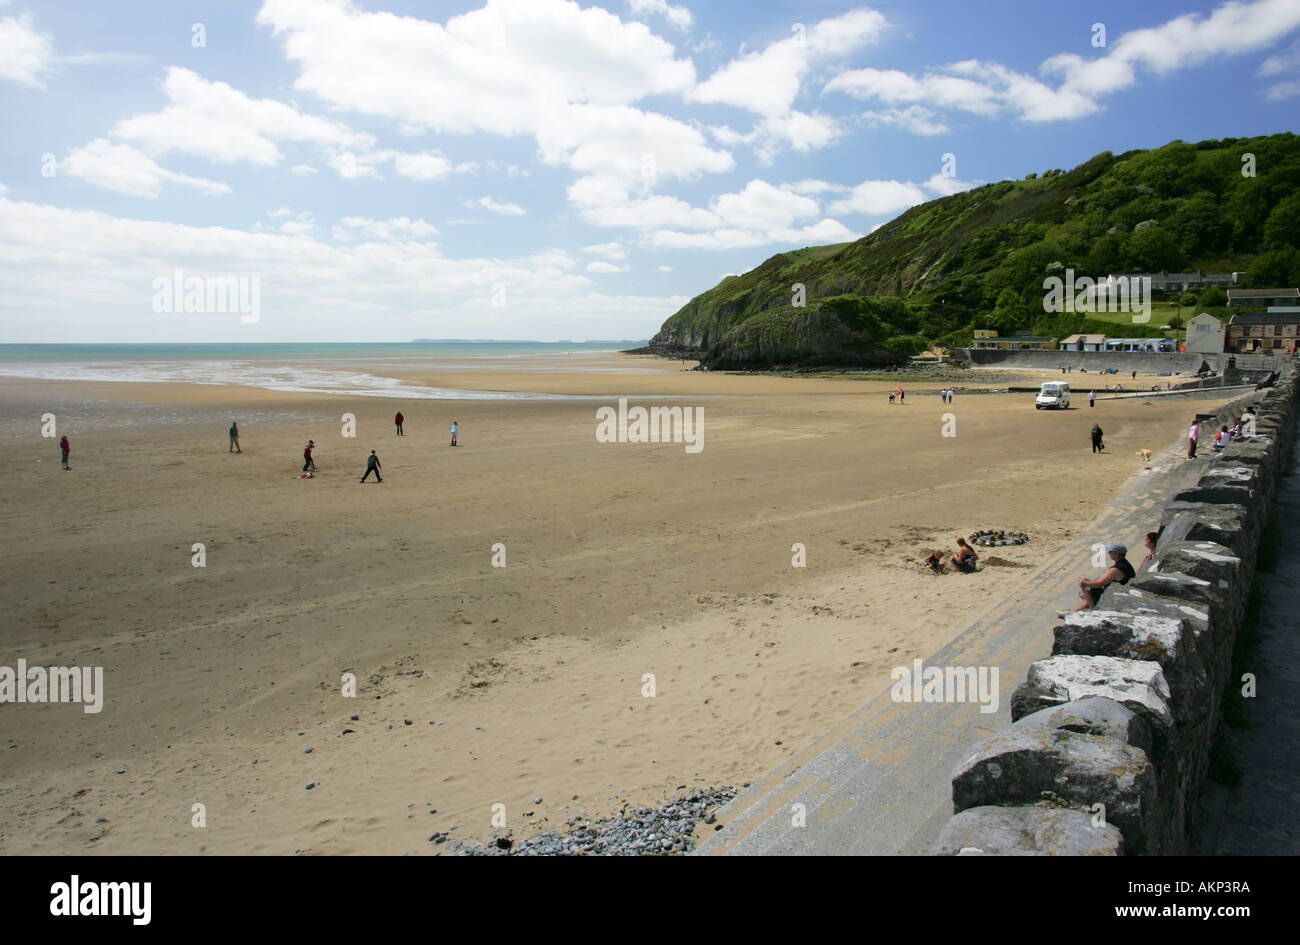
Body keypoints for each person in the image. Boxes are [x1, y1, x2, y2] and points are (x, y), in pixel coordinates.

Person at [1067, 543, 1136, 613]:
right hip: (1120, 590)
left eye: (1110, 552)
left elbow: (1098, 584)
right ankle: (1076, 609)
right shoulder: (1125, 564)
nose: (1108, 553)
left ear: (1117, 554)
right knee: (1089, 588)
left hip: (1113, 595)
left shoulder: (1117, 570)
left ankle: (1091, 609)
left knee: (1086, 587)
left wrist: (1083, 582)